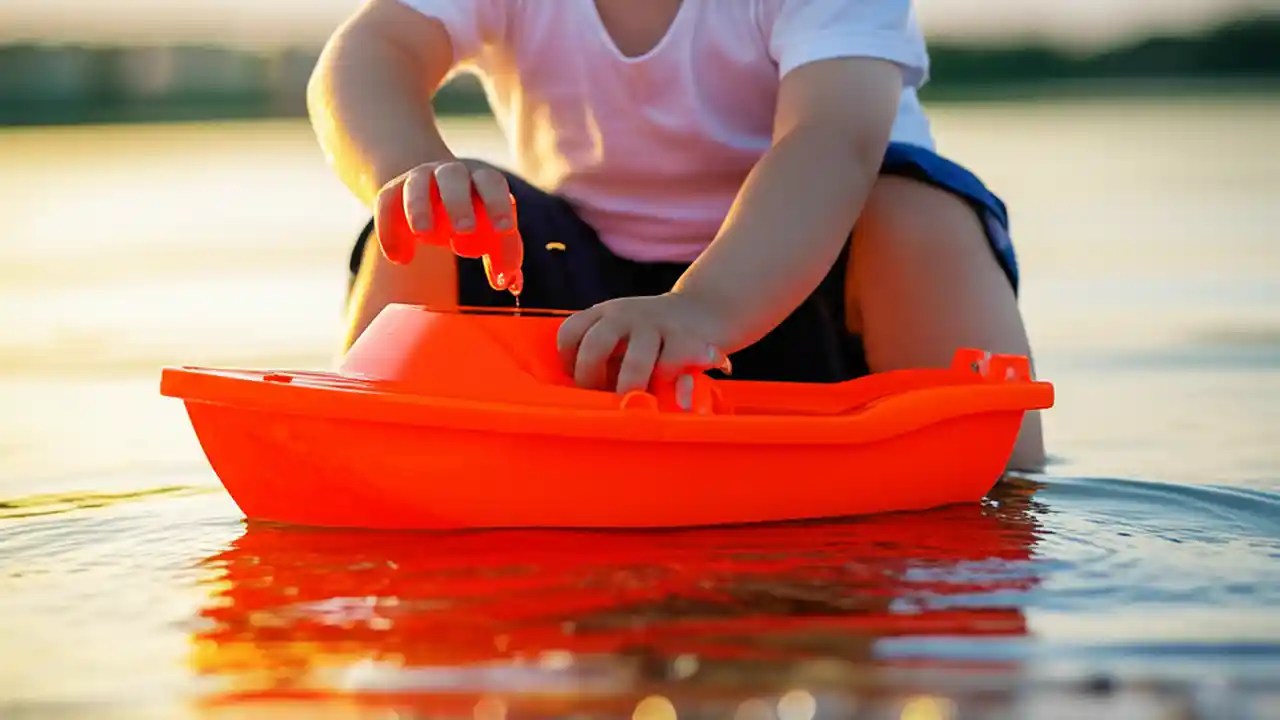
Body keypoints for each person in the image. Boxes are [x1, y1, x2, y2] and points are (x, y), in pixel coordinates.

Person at [307, 0, 1045, 469]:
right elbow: (371, 51)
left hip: (810, 295)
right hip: (586, 314)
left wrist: (704, 309)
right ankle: (369, 457)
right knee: (434, 213)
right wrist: (411, 167)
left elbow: (831, 141)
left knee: (915, 212)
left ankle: (985, 473)